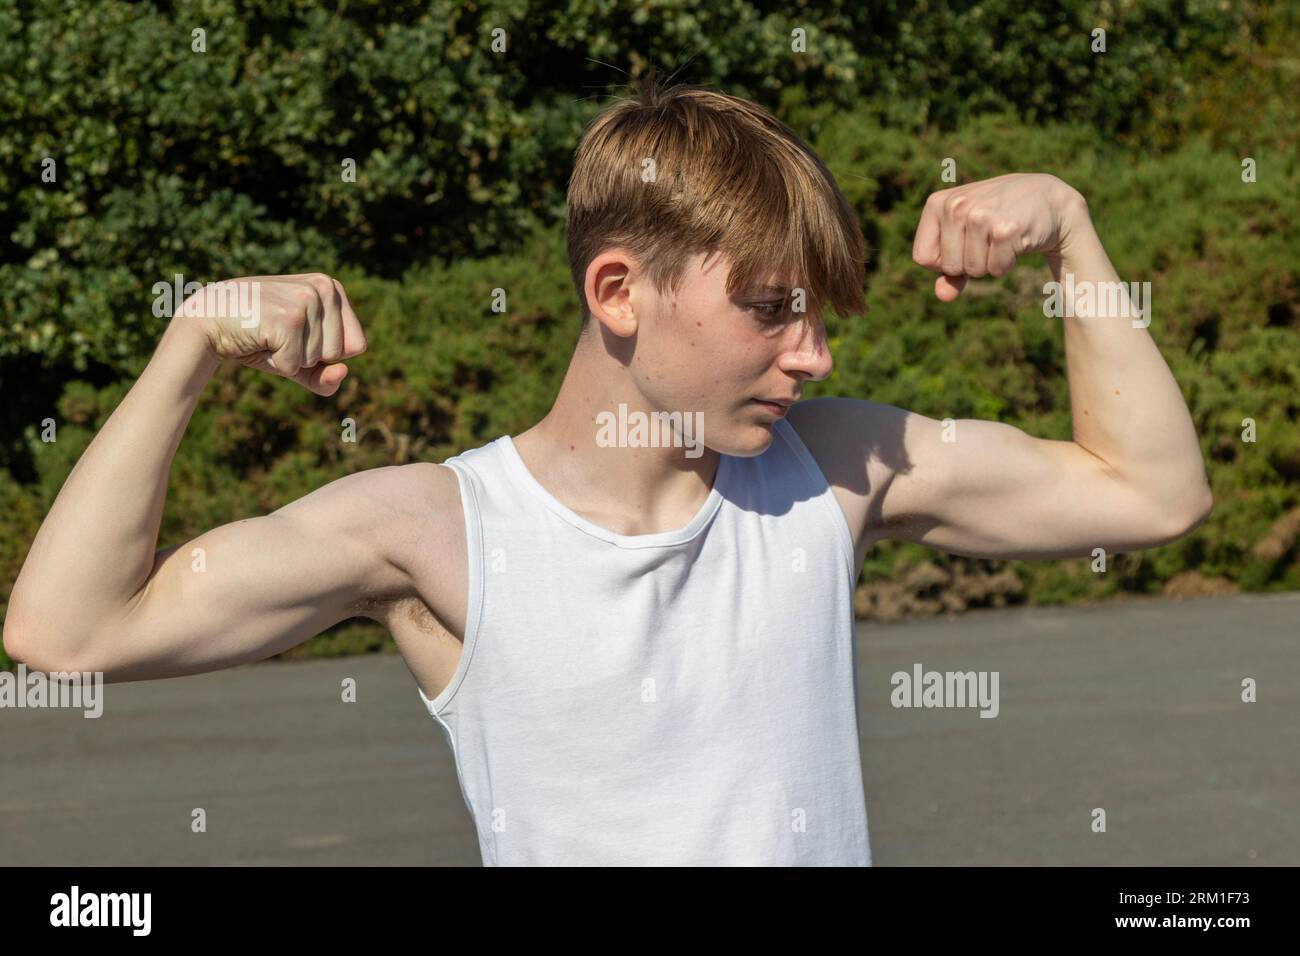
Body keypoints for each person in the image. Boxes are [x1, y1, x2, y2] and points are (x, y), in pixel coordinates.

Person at [3, 78, 1212, 866]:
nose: (816, 353)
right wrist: (189, 343)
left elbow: (1149, 490)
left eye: (818, 315)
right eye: (772, 310)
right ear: (620, 291)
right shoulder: (439, 529)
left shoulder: (830, 469)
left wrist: (1068, 227)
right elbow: (67, 634)